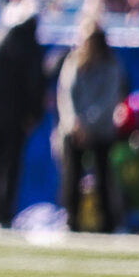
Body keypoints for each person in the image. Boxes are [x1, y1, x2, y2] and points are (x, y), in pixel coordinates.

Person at [0, 0, 45, 228]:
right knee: (10, 166)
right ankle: (4, 214)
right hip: (15, 115)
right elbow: (33, 82)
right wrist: (34, 112)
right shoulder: (26, 44)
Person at [56, 20, 128, 233]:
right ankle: (71, 220)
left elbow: (110, 99)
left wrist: (88, 123)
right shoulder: (73, 62)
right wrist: (74, 123)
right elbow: (66, 96)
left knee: (104, 176)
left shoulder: (111, 65)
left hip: (101, 129)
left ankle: (108, 223)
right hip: (75, 131)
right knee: (71, 177)